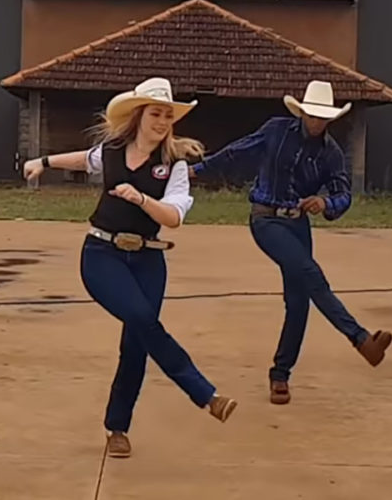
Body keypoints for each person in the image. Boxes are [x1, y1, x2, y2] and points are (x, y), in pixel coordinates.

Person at [23, 77, 237, 459]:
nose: (161, 122)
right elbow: (84, 158)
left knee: (137, 343)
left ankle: (116, 428)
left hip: (148, 259)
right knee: (142, 318)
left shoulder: (173, 166)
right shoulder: (111, 151)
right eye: (155, 113)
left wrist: (140, 199)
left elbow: (173, 217)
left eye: (168, 116)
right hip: (101, 255)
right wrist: (43, 162)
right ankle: (204, 394)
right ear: (139, 116)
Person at [189, 80, 392, 405]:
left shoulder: (331, 154)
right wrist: (196, 171)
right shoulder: (276, 130)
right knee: (310, 273)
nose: (316, 121)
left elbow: (343, 194)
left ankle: (280, 375)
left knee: (299, 301)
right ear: (302, 112)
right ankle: (360, 338)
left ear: (330, 119)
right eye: (311, 115)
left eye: (322, 117)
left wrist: (326, 203)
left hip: (298, 224)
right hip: (266, 219)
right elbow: (239, 150)